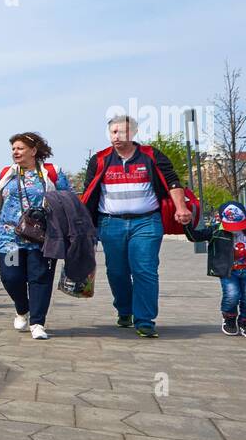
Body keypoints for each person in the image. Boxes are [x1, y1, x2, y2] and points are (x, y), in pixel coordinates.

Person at [81, 115, 193, 338]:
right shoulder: (100, 160)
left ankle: (145, 320)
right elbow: (89, 191)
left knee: (145, 269)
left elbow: (172, 181)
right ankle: (125, 310)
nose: (117, 137)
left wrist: (181, 208)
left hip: (147, 221)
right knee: (117, 272)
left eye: (122, 132)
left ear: (132, 133)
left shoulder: (151, 156)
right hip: (110, 223)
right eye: (113, 132)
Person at [0, 132, 71, 340]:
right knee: (11, 277)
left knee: (40, 279)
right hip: (10, 239)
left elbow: (68, 201)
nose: (15, 152)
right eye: (13, 149)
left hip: (41, 238)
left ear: (33, 151)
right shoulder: (6, 174)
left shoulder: (51, 173)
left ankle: (37, 322)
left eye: (20, 148)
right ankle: (22, 308)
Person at [185, 201, 246, 337]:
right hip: (229, 269)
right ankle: (229, 318)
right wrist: (187, 223)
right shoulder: (216, 230)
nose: (235, 229)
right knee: (232, 295)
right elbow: (194, 236)